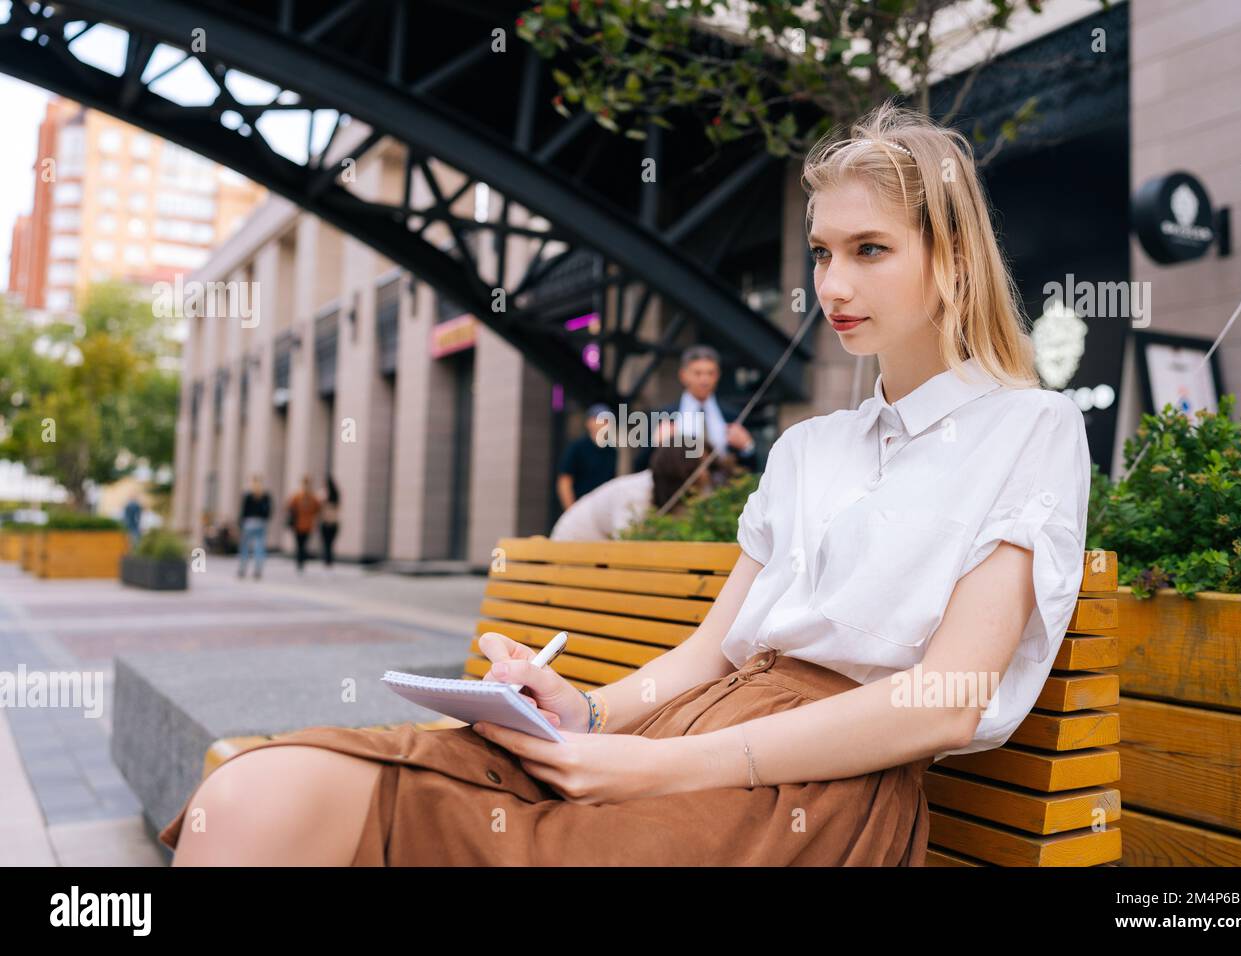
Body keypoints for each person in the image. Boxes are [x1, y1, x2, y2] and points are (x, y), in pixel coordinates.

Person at [160, 100, 1090, 867]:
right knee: (249, 799)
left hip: (810, 796)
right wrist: (586, 711)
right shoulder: (811, 449)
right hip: (679, 742)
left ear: (954, 258)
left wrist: (662, 771)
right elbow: (709, 654)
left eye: (870, 250)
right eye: (819, 252)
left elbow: (952, 695)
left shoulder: (1030, 429)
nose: (831, 283)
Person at [550, 441, 736, 541]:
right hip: (575, 542)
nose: (705, 473)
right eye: (699, 466)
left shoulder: (682, 495)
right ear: (679, 470)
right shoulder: (634, 495)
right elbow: (628, 549)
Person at [631, 345, 757, 473]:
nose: (704, 380)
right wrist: (655, 445)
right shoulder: (663, 416)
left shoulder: (732, 415)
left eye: (710, 373)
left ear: (718, 375)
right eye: (697, 373)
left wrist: (747, 448)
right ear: (683, 375)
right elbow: (639, 467)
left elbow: (750, 470)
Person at [555, 404, 618, 511]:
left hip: (602, 510)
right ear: (589, 423)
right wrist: (571, 511)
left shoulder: (612, 451)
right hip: (580, 508)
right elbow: (564, 482)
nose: (604, 423)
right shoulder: (577, 448)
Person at [237, 475, 272, 580]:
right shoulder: (265, 496)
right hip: (261, 523)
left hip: (249, 523)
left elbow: (243, 511)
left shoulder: (248, 495)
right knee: (259, 547)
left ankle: (242, 569)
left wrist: (241, 523)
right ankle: (258, 570)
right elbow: (269, 511)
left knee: (245, 547)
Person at [285, 475, 321, 574]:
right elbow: (290, 507)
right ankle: (300, 562)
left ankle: (300, 563)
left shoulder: (310, 497)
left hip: (306, 525)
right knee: (300, 545)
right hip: (299, 525)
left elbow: (317, 508)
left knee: (302, 545)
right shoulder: (299, 496)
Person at [319, 476, 340, 569]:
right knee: (330, 543)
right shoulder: (336, 494)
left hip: (327, 521)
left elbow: (320, 506)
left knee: (327, 543)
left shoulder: (325, 494)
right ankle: (329, 560)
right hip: (334, 522)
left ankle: (327, 561)